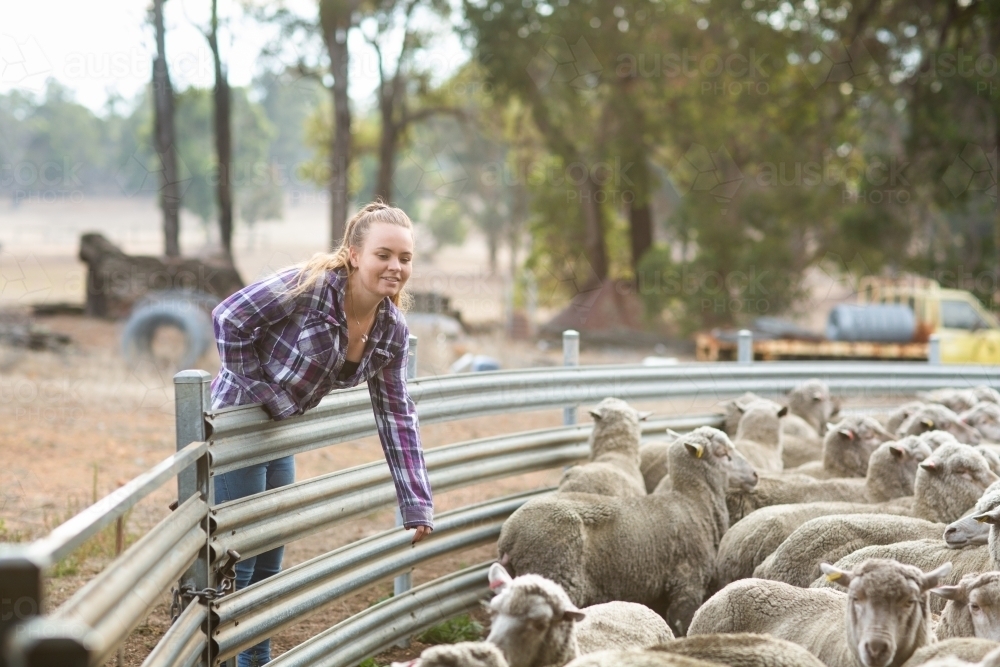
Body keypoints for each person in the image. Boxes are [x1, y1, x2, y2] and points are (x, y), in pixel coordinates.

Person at [209, 201, 434, 667]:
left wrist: (415, 501)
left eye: (405, 259)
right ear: (354, 254)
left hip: (279, 433)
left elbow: (396, 415)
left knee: (269, 564)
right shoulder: (308, 287)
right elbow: (229, 318)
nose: (395, 267)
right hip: (237, 426)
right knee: (239, 559)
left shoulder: (390, 330)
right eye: (383, 254)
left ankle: (256, 663)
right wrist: (268, 394)